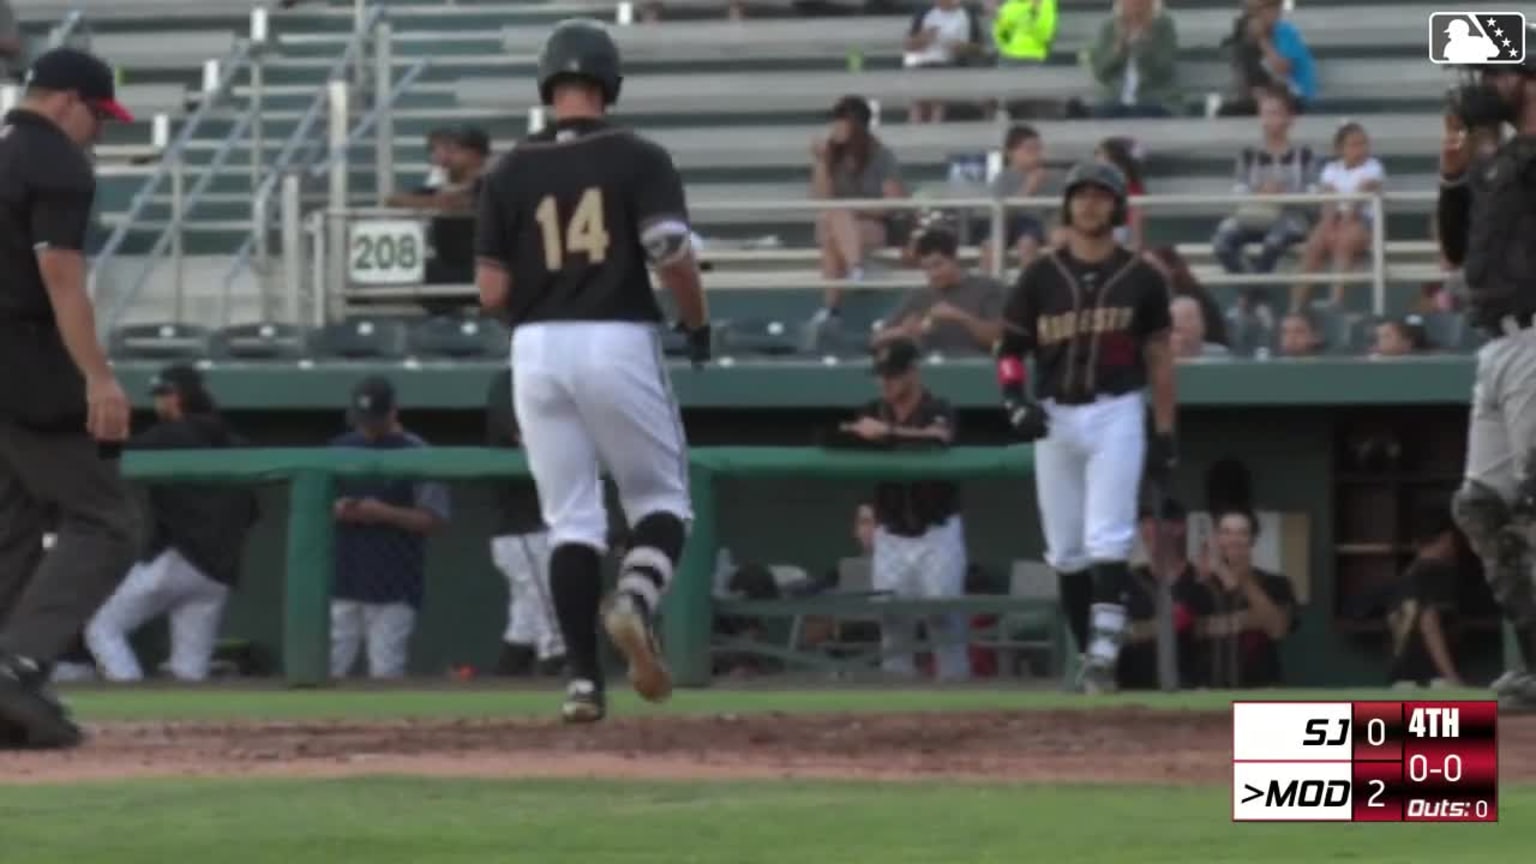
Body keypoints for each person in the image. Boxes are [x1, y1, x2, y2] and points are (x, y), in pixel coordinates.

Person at [474, 19, 710, 723]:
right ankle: (634, 599)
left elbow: (489, 292)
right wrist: (696, 321)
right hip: (616, 335)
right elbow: (669, 252)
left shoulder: (508, 168)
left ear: (548, 84)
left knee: (570, 521)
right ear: (608, 82)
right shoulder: (638, 155)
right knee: (662, 503)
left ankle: (581, 682)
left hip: (535, 349)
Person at [993, 162, 1177, 693]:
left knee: (1108, 536)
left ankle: (1101, 653)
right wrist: (1013, 399)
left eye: (1102, 196)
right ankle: (1091, 658)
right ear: (1068, 205)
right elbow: (1009, 349)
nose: (1091, 205)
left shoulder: (1142, 278)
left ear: (1117, 206)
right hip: (1054, 413)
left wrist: (1165, 432)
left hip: (1116, 408)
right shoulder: (1039, 276)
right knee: (1065, 550)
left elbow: (1161, 360)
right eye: (1082, 196)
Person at [0, 47, 138, 750]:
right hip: (26, 357)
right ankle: (15, 665)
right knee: (108, 519)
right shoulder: (53, 161)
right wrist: (98, 376)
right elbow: (60, 279)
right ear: (67, 101)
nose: (100, 132)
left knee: (16, 524)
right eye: (99, 117)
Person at [1436, 37, 1536, 711]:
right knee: (1480, 504)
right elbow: (1454, 248)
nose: (1488, 82)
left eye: (1502, 71)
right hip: (1494, 342)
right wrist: (1452, 174)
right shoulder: (1497, 164)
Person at [85, 365, 258, 682]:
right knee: (190, 671)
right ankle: (183, 729)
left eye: (161, 396)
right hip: (218, 573)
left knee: (102, 627)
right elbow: (252, 513)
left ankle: (131, 696)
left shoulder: (169, 435)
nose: (158, 403)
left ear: (176, 397)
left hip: (176, 562)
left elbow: (110, 454)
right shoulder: (236, 442)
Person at [838, 338, 970, 680]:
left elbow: (940, 437)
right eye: (881, 375)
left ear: (913, 372)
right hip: (891, 532)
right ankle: (897, 705)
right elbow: (857, 466)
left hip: (936, 531)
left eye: (893, 375)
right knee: (893, 625)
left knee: (944, 621)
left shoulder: (937, 406)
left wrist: (889, 432)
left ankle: (958, 698)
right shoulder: (871, 410)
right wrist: (865, 513)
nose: (885, 382)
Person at [329, 377, 450, 680]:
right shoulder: (339, 449)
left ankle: (388, 729)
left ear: (393, 412)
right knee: (329, 665)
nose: (367, 427)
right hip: (343, 575)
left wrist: (384, 513)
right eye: (362, 419)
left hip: (396, 578)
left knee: (386, 669)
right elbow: (313, 507)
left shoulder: (419, 452)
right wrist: (340, 510)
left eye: (374, 419)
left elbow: (434, 519)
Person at [485, 368, 566, 677]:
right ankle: (564, 702)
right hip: (523, 529)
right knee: (554, 631)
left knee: (525, 628)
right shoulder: (510, 380)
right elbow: (525, 434)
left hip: (546, 525)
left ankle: (501, 691)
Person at [810, 95, 906, 321]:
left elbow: (893, 204)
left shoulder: (881, 156)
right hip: (837, 225)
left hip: (873, 225)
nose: (835, 127)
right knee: (834, 220)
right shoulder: (831, 156)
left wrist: (856, 211)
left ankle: (831, 308)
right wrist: (821, 162)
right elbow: (821, 199)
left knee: (834, 230)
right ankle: (856, 268)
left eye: (841, 121)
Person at [1210, 87, 1317, 279]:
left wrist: (1284, 195)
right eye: (1265, 114)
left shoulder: (1305, 155)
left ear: (1290, 118)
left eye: (1275, 113)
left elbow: (1313, 193)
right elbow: (1238, 190)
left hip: (1290, 217)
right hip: (1254, 215)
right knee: (1222, 243)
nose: (1269, 120)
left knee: (1274, 242)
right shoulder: (1248, 155)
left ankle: (1250, 301)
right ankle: (1254, 296)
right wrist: (1258, 192)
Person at [1188, 509, 1297, 687]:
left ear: (1252, 539)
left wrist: (1240, 580)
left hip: (1262, 689)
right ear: (1216, 538)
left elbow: (1277, 629)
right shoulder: (1197, 588)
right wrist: (1248, 620)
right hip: (1207, 692)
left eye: (1242, 533)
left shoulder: (1277, 584)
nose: (1234, 540)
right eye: (1226, 532)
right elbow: (1192, 631)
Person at [1293, 122, 1384, 310]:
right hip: (1334, 218)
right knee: (1313, 245)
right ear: (1340, 149)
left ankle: (1335, 301)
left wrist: (1343, 222)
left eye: (1363, 143)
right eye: (1354, 145)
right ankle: (1296, 305)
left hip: (1362, 221)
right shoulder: (1331, 169)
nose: (1361, 149)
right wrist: (1328, 225)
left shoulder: (1374, 167)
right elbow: (1328, 199)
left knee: (1344, 242)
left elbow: (1361, 195)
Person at [871, 227, 1003, 355]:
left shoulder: (987, 288)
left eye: (938, 265)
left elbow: (997, 338)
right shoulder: (919, 296)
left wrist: (960, 317)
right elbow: (876, 340)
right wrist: (903, 331)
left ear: (954, 258)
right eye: (926, 268)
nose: (933, 274)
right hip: (929, 370)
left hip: (977, 367)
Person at [1387, 507, 1465, 688]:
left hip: (1401, 679)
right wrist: (1452, 677)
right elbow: (1429, 622)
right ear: (1447, 538)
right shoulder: (1436, 572)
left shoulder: (1407, 575)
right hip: (1432, 680)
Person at [1085, 0, 1180, 119]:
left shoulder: (1164, 27)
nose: (1134, 5)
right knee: (1102, 115)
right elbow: (1100, 72)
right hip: (1115, 101)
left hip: (1155, 101)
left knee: (1140, 114)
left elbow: (1164, 71)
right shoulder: (1109, 27)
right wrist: (1118, 51)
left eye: (1141, 2)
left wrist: (1145, 48)